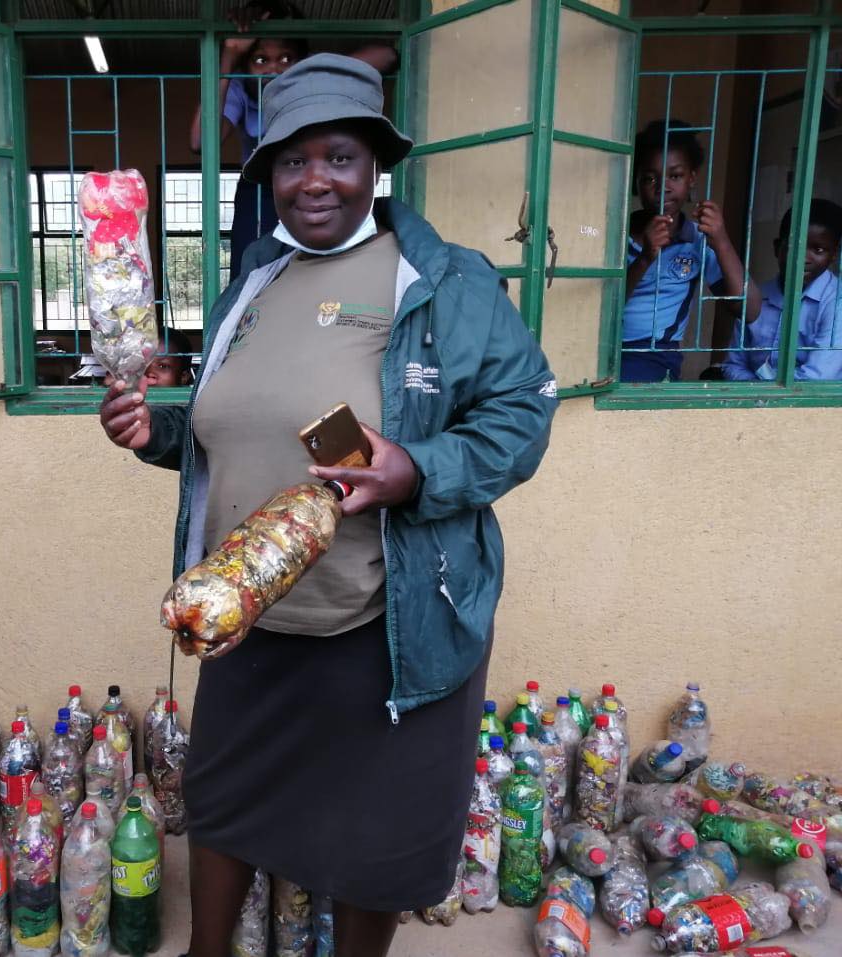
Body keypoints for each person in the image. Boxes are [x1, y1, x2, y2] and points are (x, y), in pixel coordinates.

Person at [101, 55, 556, 956]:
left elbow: (521, 415)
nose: (315, 180)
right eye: (292, 160)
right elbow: (236, 425)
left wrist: (415, 469)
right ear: (266, 173)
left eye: (339, 156)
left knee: (373, 832)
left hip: (384, 616)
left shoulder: (438, 279)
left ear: (373, 166)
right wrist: (156, 431)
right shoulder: (256, 279)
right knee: (228, 799)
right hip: (248, 608)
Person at [190, 1, 396, 282]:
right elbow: (201, 141)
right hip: (260, 190)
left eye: (286, 59)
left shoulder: (310, 83)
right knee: (252, 267)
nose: (273, 70)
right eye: (260, 60)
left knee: (318, 261)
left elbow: (386, 55)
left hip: (314, 180)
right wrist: (229, 54)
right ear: (246, 67)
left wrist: (314, 70)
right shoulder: (240, 89)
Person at [622, 119, 758, 383]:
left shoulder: (698, 239)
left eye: (675, 176)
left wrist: (721, 241)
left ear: (692, 178)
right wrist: (645, 257)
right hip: (598, 344)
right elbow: (604, 305)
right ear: (636, 182)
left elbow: (749, 310)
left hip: (653, 353)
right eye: (650, 178)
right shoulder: (616, 232)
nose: (663, 187)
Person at [722, 199, 842, 381]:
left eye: (818, 250)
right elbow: (733, 365)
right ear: (777, 248)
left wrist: (764, 390)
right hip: (755, 402)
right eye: (795, 246)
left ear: (834, 254)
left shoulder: (837, 302)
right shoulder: (757, 297)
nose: (803, 258)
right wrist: (758, 392)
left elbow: (818, 378)